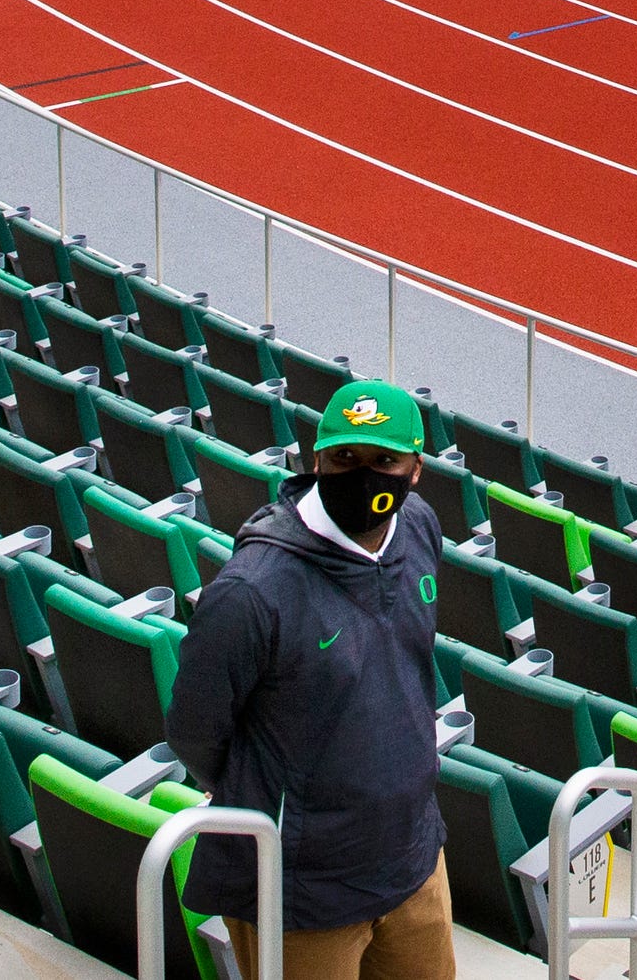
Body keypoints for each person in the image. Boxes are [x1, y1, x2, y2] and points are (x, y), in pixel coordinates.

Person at [165, 378, 454, 980]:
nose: (366, 476)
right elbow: (196, 731)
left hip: (413, 860)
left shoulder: (420, 527)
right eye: (345, 458)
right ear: (315, 459)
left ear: (416, 471)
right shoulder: (253, 591)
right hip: (303, 891)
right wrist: (291, 804)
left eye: (385, 461)